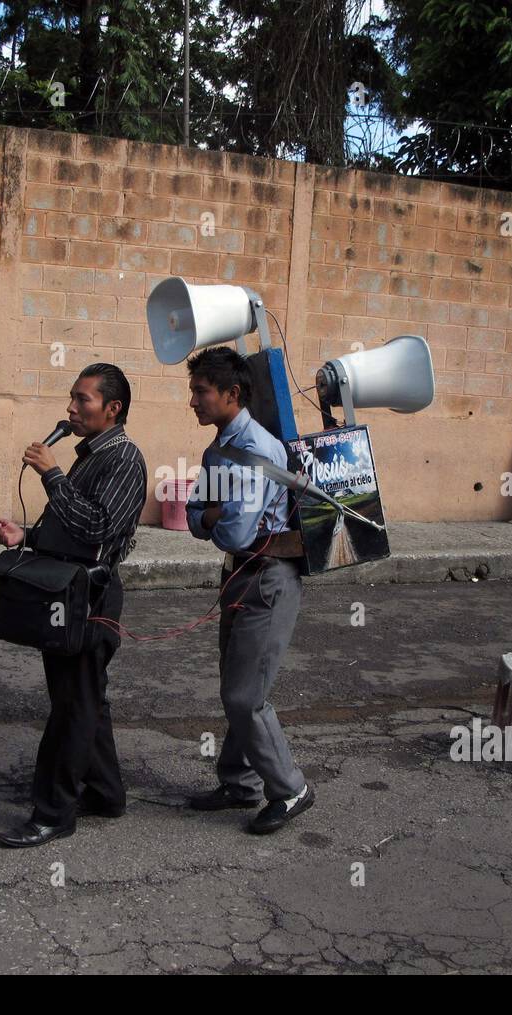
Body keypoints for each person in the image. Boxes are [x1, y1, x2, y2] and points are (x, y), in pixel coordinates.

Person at [0, 363, 147, 848]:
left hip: (91, 597)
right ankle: (105, 792)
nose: (71, 409)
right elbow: (70, 532)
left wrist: (52, 476)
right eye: (72, 399)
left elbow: (98, 529)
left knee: (72, 708)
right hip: (66, 589)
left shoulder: (123, 458)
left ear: (112, 408)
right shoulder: (90, 456)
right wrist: (29, 535)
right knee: (84, 698)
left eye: (83, 400)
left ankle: (53, 811)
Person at [182, 346, 314, 834]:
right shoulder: (217, 449)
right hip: (240, 573)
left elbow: (229, 529)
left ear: (232, 394)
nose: (193, 401)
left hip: (270, 578)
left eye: (201, 392)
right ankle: (239, 783)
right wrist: (214, 514)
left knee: (245, 694)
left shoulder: (256, 450)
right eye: (192, 391)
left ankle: (291, 788)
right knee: (235, 687)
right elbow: (195, 516)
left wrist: (212, 515)